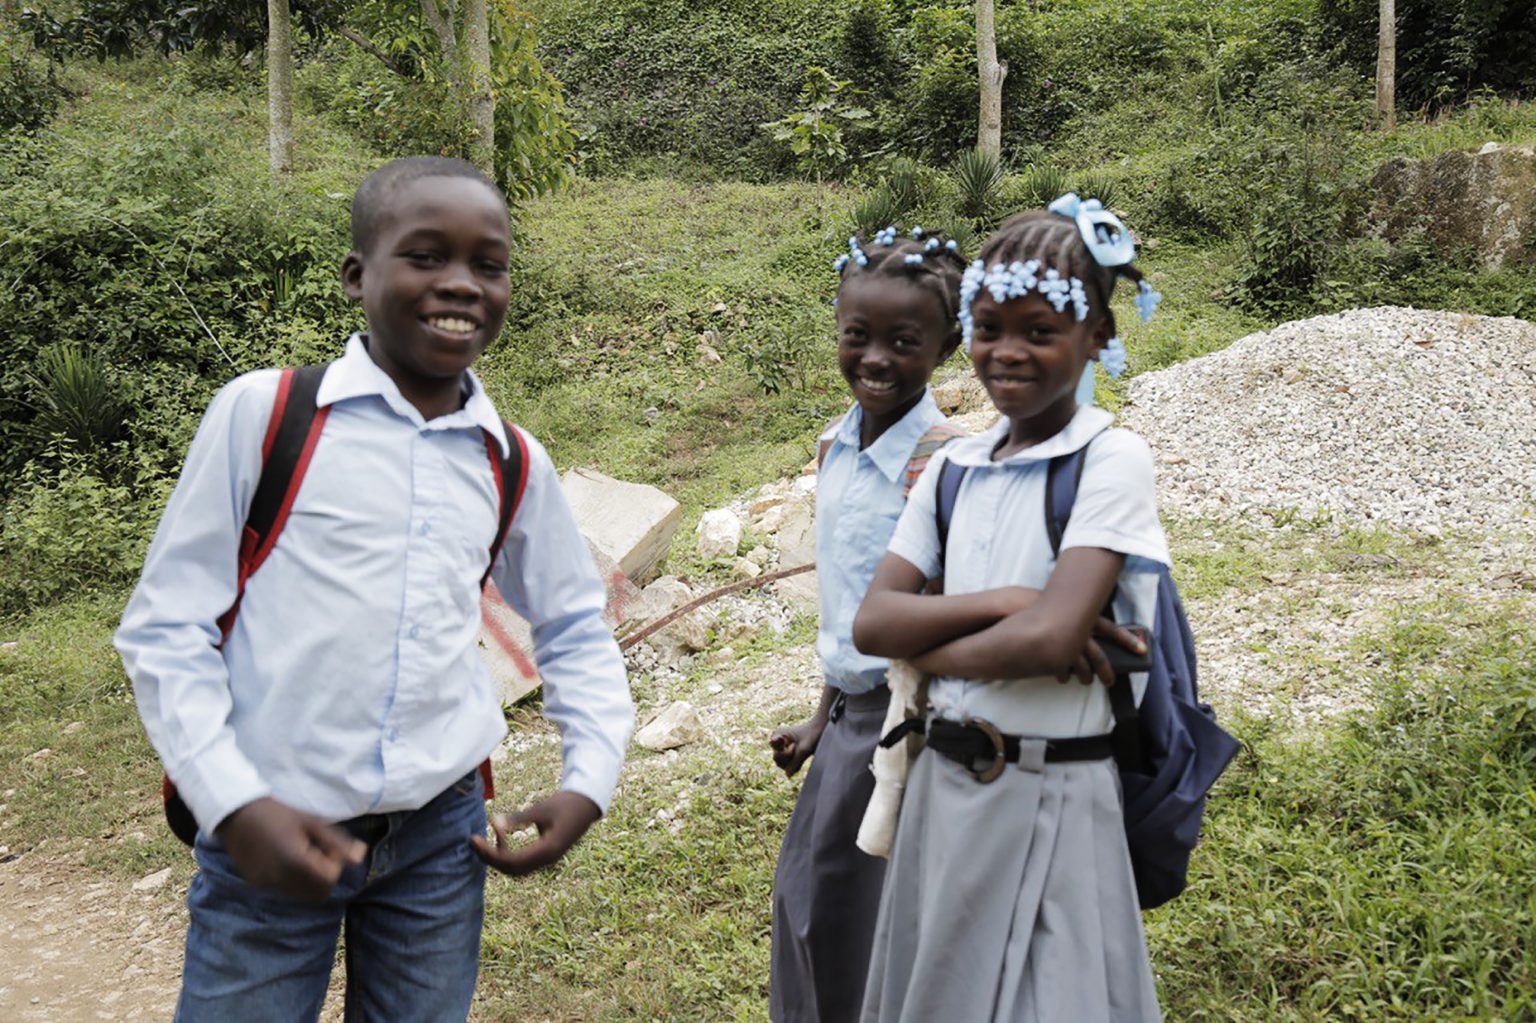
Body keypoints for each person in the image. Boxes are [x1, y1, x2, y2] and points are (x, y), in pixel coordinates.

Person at [114, 156, 634, 1022]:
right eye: (425, 255)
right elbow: (166, 628)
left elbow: (574, 626)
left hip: (442, 836)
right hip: (272, 821)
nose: (462, 284)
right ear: (357, 276)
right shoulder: (267, 416)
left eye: (490, 264)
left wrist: (590, 778)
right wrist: (234, 803)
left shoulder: (509, 460)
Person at [852, 196, 1167, 1022]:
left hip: (1056, 794)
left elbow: (1054, 637)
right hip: (944, 796)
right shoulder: (955, 468)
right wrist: (1010, 603)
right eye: (989, 327)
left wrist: (940, 640)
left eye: (1041, 329)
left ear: (1097, 335)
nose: (1008, 352)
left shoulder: (1110, 459)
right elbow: (873, 624)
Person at [767, 225, 968, 1023]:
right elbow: (845, 598)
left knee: (855, 918)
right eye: (858, 335)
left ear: (947, 346)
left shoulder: (945, 464)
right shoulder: (833, 448)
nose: (875, 357)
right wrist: (821, 714)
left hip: (906, 724)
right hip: (848, 720)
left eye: (903, 341)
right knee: (806, 903)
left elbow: (942, 612)